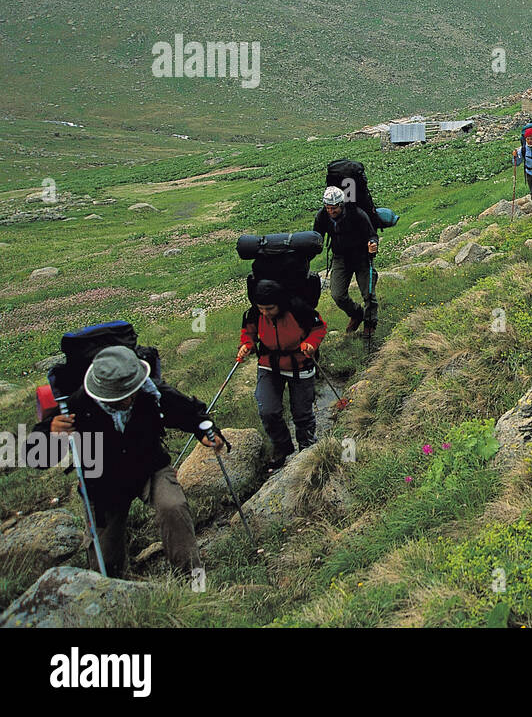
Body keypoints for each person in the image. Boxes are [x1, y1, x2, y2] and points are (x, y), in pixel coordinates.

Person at [29, 345, 222, 579]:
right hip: (103, 484)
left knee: (173, 507)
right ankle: (112, 590)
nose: (130, 398)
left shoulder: (150, 391)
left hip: (150, 468)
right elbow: (36, 458)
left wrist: (204, 429)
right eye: (121, 396)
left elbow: (188, 411)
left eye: (132, 391)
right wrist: (51, 433)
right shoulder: (75, 407)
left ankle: (193, 579)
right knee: (106, 560)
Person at [238, 278, 327, 470]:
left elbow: (319, 328)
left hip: (300, 364)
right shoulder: (254, 313)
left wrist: (311, 343)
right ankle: (282, 446)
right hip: (269, 365)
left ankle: (307, 448)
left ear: (280, 303)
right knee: (267, 410)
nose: (265, 313)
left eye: (269, 308)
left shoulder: (299, 310)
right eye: (261, 308)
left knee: (302, 414)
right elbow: (249, 333)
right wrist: (247, 345)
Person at [312, 185, 379, 338]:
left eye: (334, 208)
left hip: (361, 257)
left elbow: (372, 234)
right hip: (340, 257)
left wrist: (373, 244)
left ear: (341, 205)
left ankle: (370, 324)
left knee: (368, 293)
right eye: (328, 208)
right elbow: (316, 236)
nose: (331, 211)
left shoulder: (357, 214)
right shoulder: (322, 216)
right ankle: (357, 314)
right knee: (337, 295)